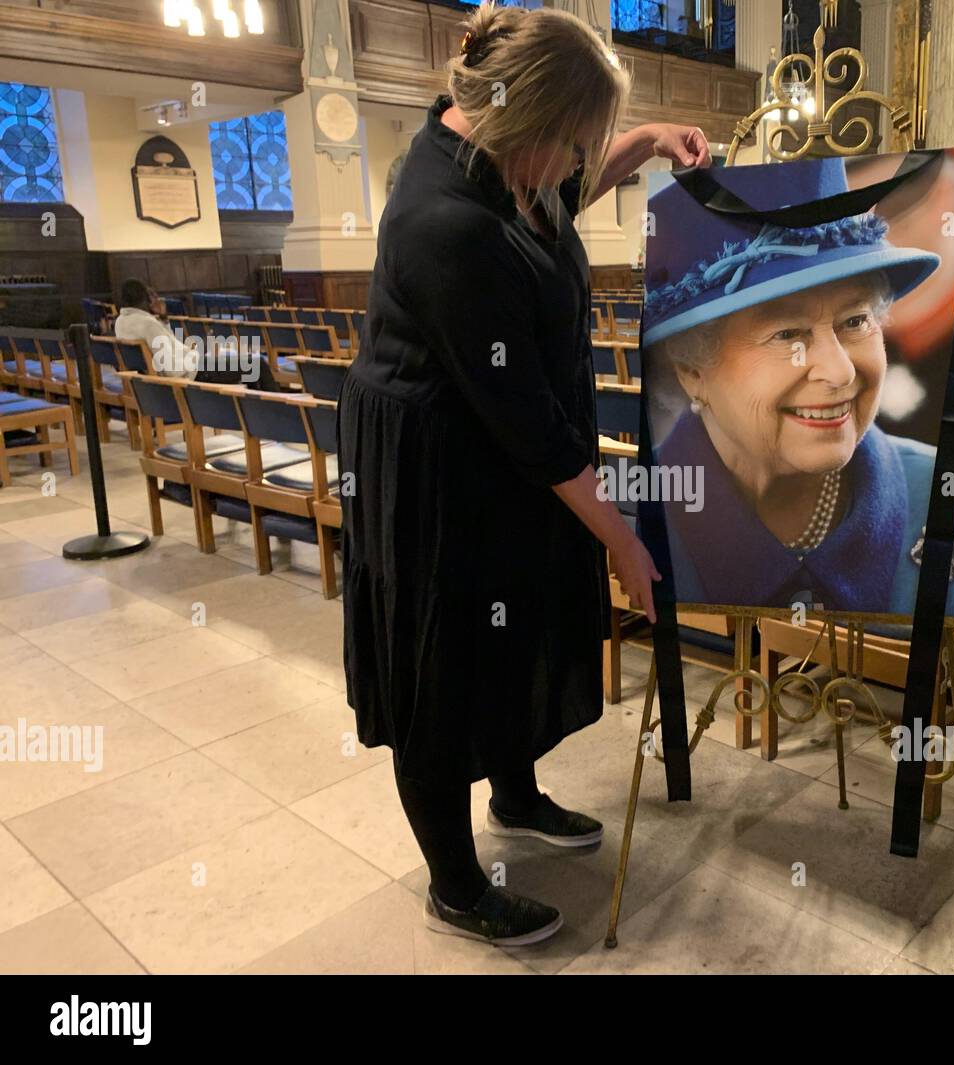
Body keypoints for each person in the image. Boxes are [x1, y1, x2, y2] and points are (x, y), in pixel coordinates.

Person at [338, 2, 710, 947]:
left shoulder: (492, 156)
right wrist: (622, 538)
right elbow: (533, 430)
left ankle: (513, 793)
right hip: (443, 470)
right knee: (443, 658)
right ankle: (456, 884)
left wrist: (649, 141)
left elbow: (566, 193)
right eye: (579, 140)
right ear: (527, 126)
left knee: (509, 627)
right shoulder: (446, 226)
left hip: (495, 446)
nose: (587, 160)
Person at [641, 156, 954, 616]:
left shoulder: (937, 490)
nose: (840, 373)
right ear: (693, 370)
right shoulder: (641, 515)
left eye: (856, 320)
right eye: (787, 333)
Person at [114, 279, 194, 380]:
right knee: (216, 366)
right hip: (173, 383)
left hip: (142, 382)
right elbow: (173, 371)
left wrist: (164, 319)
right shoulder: (149, 325)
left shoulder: (120, 321)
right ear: (147, 299)